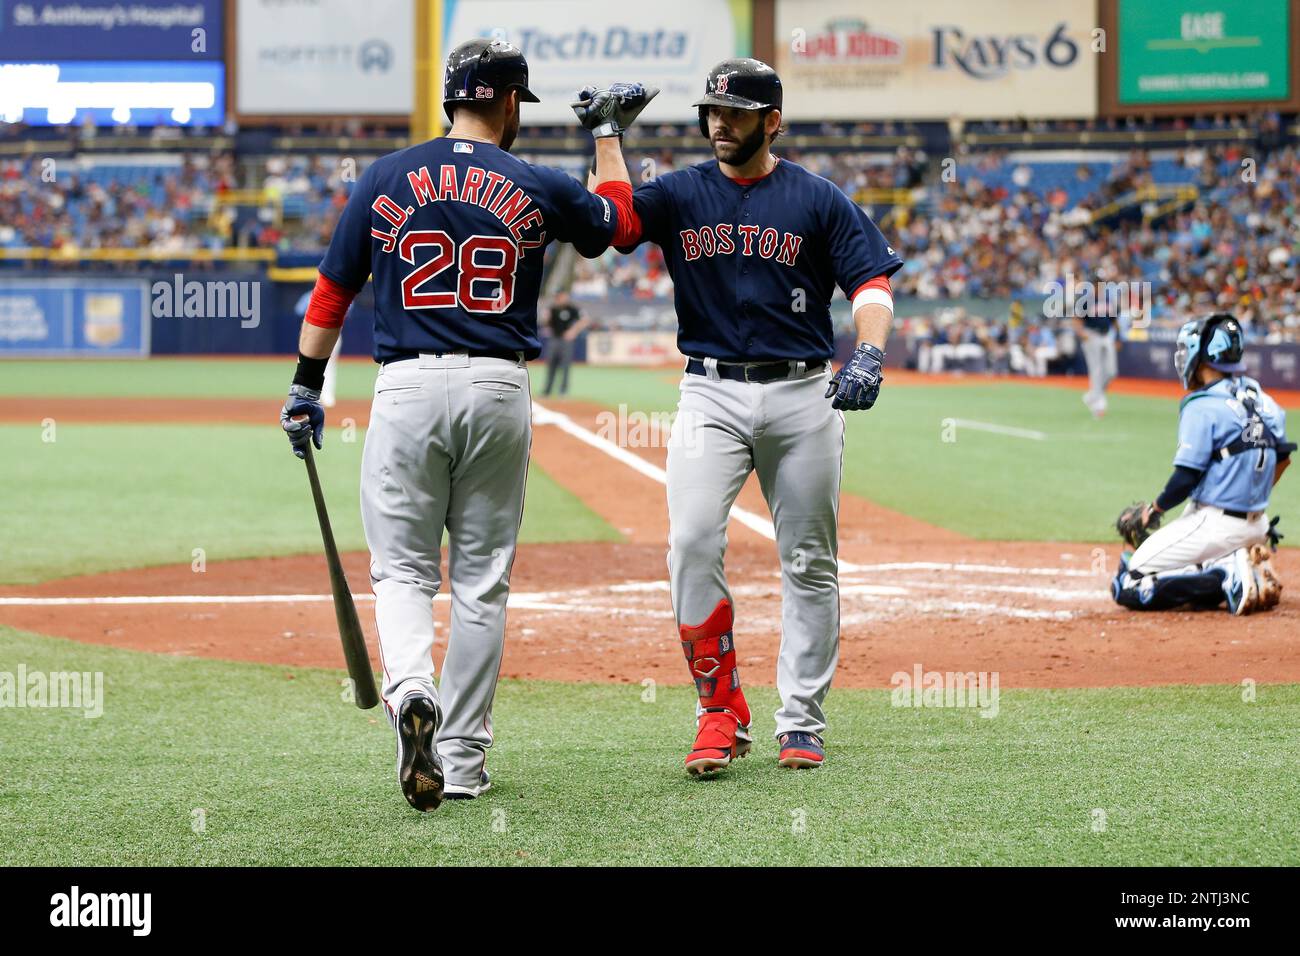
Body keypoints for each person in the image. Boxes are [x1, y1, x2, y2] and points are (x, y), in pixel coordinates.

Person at [278, 38, 651, 812]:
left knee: (404, 571)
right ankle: (465, 760)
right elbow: (620, 224)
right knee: (481, 582)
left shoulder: (385, 175)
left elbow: (330, 293)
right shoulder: (536, 181)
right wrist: (608, 135)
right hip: (498, 385)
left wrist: (306, 386)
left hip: (407, 383)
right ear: (510, 103)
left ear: (453, 99)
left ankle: (412, 688)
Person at [598, 58, 902, 775]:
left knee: (808, 562)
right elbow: (614, 225)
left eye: (734, 112)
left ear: (772, 121)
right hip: (710, 390)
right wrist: (608, 135)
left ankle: (801, 718)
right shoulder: (679, 192)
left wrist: (870, 353)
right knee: (693, 544)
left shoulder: (818, 198)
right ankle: (719, 710)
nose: (718, 123)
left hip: (804, 395)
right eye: (711, 111)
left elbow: (872, 282)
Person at [1112, 313, 1293, 615]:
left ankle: (1225, 576)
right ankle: (1232, 563)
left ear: (1204, 355)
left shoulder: (1201, 405)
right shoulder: (1263, 398)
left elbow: (1185, 478)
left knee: (1127, 584)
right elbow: (1283, 458)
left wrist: (1152, 512)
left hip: (1215, 525)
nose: (1183, 357)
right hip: (1258, 525)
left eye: (1186, 350)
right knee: (1191, 571)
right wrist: (1249, 498)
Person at [541, 290, 589, 396]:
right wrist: (546, 318)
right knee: (551, 365)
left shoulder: (572, 309)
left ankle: (563, 391)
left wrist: (573, 331)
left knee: (566, 366)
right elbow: (545, 323)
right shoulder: (552, 308)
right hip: (554, 339)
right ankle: (547, 390)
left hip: (566, 341)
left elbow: (584, 320)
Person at [1078, 311, 1119, 418]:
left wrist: (1118, 337)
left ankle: (1092, 396)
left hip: (1106, 335)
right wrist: (1081, 332)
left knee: (1111, 371)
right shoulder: (1086, 299)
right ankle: (1099, 406)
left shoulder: (1108, 300)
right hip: (1091, 334)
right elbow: (1076, 317)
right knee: (1096, 371)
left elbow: (1114, 319)